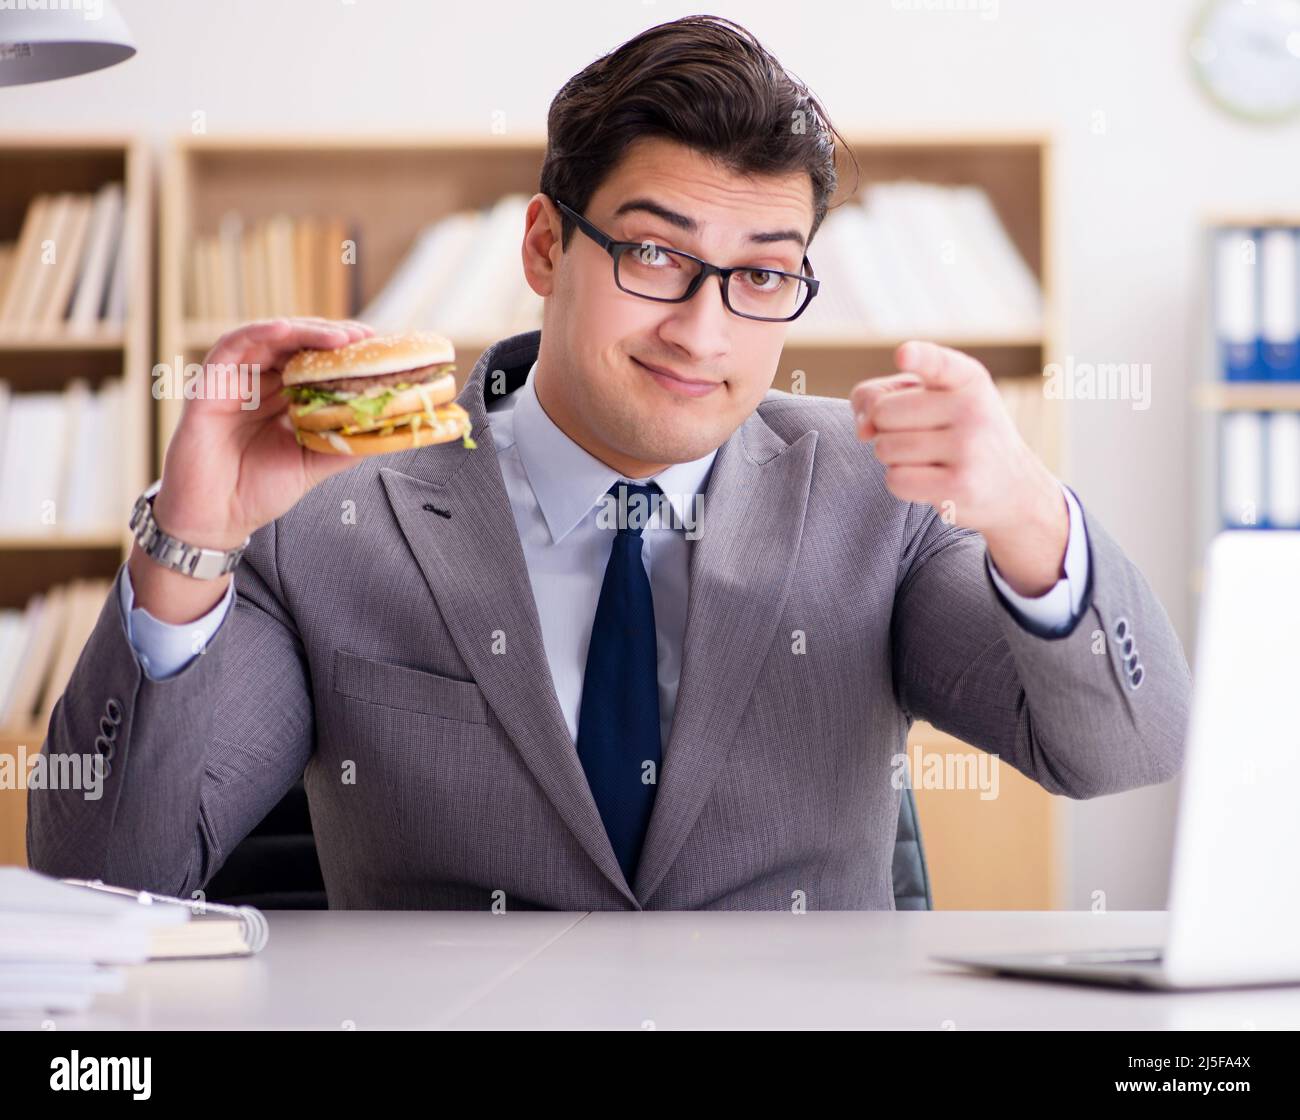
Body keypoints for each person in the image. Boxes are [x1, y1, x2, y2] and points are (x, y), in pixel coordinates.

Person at [28, 15, 1190, 910]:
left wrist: (1027, 508)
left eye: (764, 274)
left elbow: (1124, 751)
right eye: (652, 254)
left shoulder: (873, 495)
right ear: (545, 245)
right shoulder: (333, 506)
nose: (704, 329)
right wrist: (191, 545)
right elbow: (108, 865)